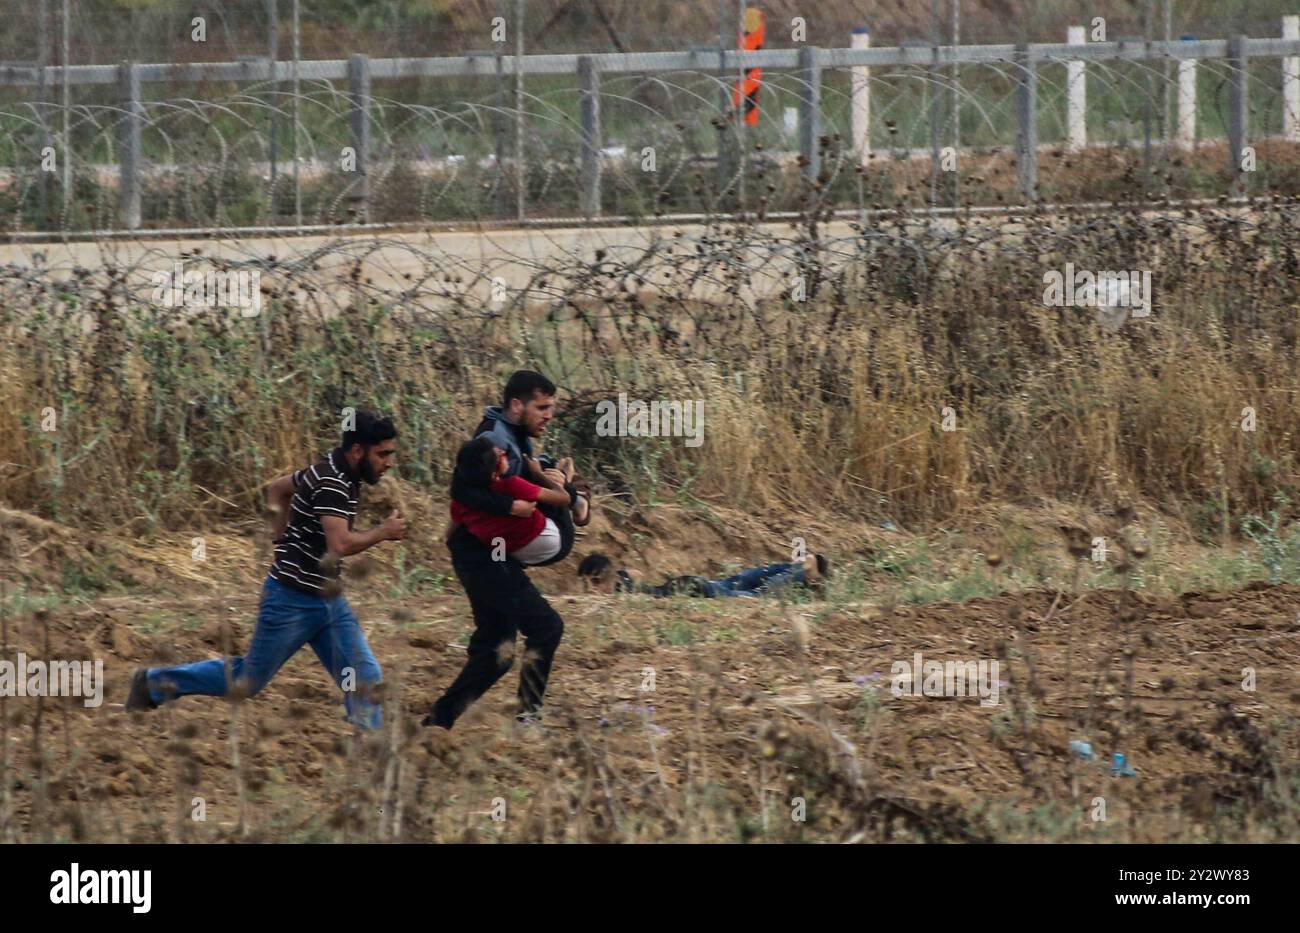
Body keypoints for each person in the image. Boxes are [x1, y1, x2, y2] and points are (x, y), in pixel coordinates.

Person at [124, 411, 407, 729]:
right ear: (358, 450)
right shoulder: (333, 483)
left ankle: (369, 755)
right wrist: (383, 532)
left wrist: (280, 538)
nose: (389, 462)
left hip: (328, 598)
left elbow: (276, 489)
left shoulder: (330, 468)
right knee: (246, 681)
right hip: (291, 600)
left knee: (365, 675)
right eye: (383, 453)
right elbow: (339, 545)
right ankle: (152, 684)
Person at [425, 370, 589, 730]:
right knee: (546, 628)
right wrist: (512, 506)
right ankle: (528, 720)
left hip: (485, 552)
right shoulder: (493, 439)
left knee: (496, 651)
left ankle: (438, 723)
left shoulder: (511, 434)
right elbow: (460, 490)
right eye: (542, 407)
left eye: (551, 407)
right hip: (484, 554)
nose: (549, 415)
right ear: (516, 405)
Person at [449, 436, 581, 566]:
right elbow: (564, 498)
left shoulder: (460, 503)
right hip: (557, 543)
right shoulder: (512, 485)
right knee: (551, 472)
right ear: (494, 474)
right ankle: (569, 483)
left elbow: (450, 534)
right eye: (501, 456)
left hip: (517, 553)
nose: (504, 451)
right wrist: (538, 473)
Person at [577, 552, 830, 599]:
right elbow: (635, 572)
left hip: (695, 589)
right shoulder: (625, 580)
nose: (592, 591)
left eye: (593, 583)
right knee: (745, 579)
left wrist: (603, 588)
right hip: (693, 585)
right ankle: (801, 568)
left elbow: (632, 576)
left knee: (756, 596)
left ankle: (802, 571)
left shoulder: (622, 592)